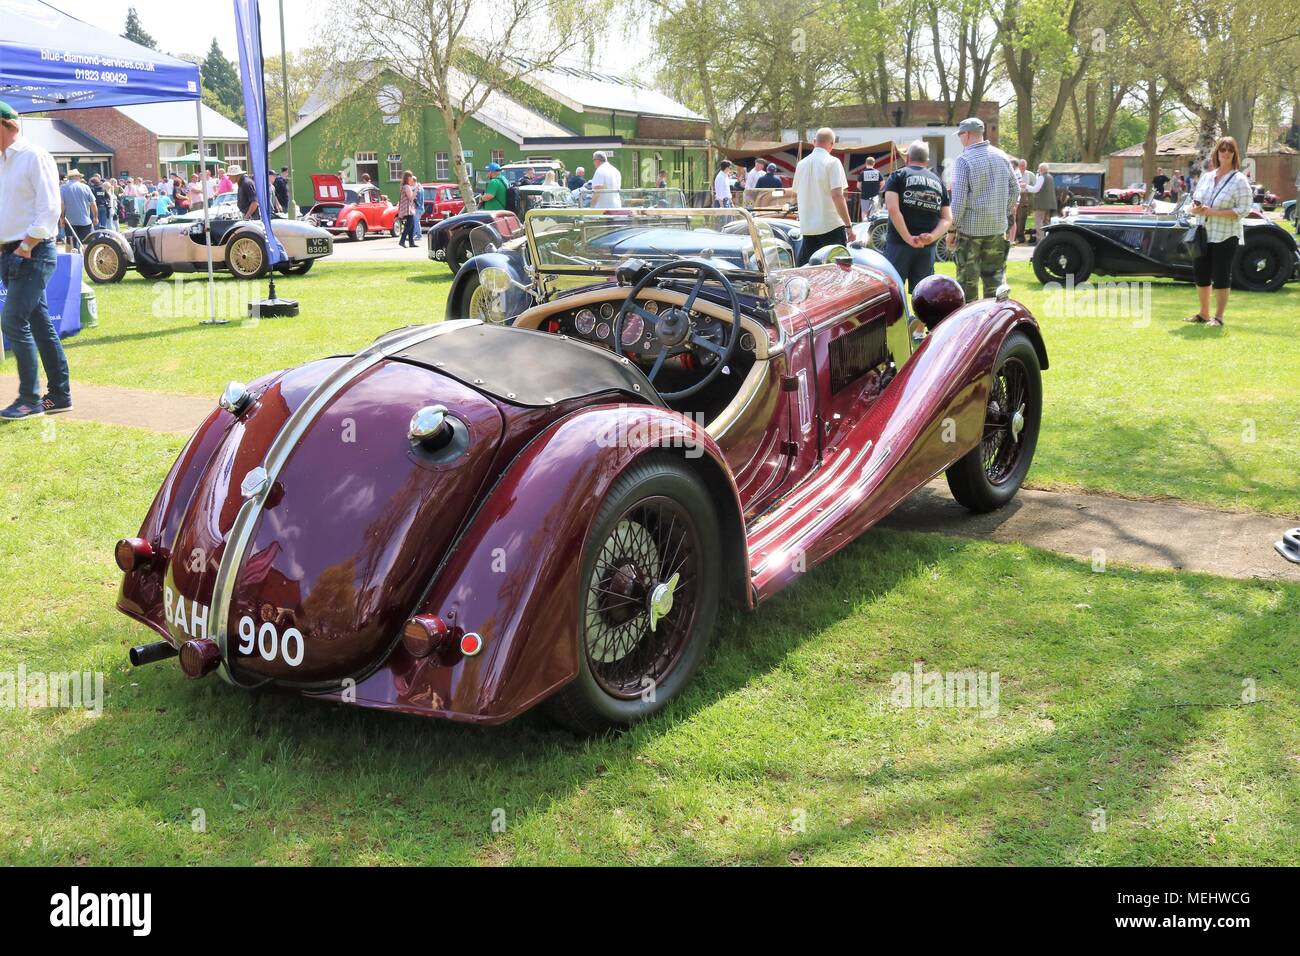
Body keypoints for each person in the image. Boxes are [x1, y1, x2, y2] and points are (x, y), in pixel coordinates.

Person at [0, 100, 71, 420]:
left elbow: (50, 208)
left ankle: (28, 398)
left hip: (33, 251)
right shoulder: (3, 162)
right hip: (12, 252)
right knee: (40, 325)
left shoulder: (34, 156)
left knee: (13, 320)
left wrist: (26, 245)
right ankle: (59, 394)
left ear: (6, 126)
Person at [1183, 136, 1252, 327]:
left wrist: (1216, 212)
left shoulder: (1239, 180)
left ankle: (1219, 317)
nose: (1226, 153)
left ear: (1234, 154)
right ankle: (1203, 314)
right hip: (1202, 232)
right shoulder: (1206, 177)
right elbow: (1194, 200)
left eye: (1230, 150)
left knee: (1221, 275)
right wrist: (1194, 208)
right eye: (1223, 149)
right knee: (1201, 273)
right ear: (1217, 153)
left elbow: (1244, 209)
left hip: (1225, 234)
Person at [947, 116, 1018, 301]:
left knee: (967, 284)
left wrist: (952, 229)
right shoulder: (1002, 156)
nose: (960, 139)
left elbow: (959, 201)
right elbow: (1015, 189)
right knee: (996, 281)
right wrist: (1003, 212)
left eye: (960, 135)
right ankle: (996, 322)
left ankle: (971, 325)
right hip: (996, 229)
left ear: (967, 134)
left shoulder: (963, 160)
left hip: (970, 231)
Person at [881, 140, 951, 294]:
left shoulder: (898, 176)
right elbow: (947, 219)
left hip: (898, 245)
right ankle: (922, 319)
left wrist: (908, 238)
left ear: (907, 159)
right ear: (927, 161)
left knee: (893, 292)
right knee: (923, 295)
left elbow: (893, 209)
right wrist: (931, 237)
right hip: (926, 248)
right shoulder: (938, 181)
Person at [792, 127, 852, 265]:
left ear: (814, 142)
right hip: (831, 225)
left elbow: (796, 193)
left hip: (808, 227)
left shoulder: (801, 164)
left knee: (809, 272)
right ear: (832, 144)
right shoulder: (833, 162)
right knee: (837, 272)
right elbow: (837, 196)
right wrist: (848, 226)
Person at [59, 168, 97, 245]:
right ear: (77, 177)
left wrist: (62, 218)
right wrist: (95, 217)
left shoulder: (63, 188)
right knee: (86, 245)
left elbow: (62, 205)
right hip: (85, 221)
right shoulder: (85, 187)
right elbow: (93, 204)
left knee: (71, 245)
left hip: (70, 221)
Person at [1024, 162, 1056, 242]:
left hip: (1040, 204)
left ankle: (1040, 241)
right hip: (1049, 205)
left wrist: (1026, 186)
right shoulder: (1050, 177)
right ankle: (1048, 240)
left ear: (1041, 169)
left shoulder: (1042, 177)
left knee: (1039, 223)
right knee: (1047, 223)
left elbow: (1035, 189)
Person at [1012, 158, 1033, 243]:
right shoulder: (1013, 173)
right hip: (1015, 196)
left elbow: (1035, 186)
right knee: (1013, 217)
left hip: (1024, 196)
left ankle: (1020, 237)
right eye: (1021, 165)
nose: (1022, 167)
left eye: (1024, 166)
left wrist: (1027, 188)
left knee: (1021, 218)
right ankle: (1013, 237)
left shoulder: (1030, 174)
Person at [398, 170, 419, 248]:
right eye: (410, 178)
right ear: (407, 178)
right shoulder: (406, 186)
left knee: (412, 225)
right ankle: (402, 241)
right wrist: (416, 190)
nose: (411, 180)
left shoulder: (405, 186)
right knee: (409, 226)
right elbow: (411, 198)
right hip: (408, 209)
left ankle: (411, 242)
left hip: (408, 209)